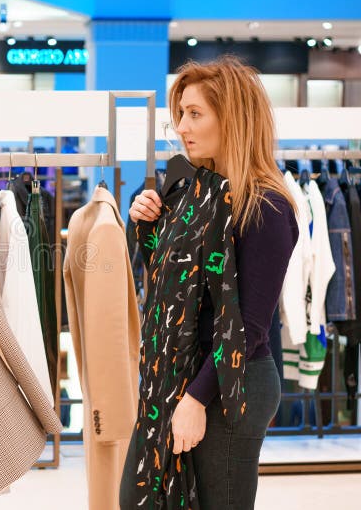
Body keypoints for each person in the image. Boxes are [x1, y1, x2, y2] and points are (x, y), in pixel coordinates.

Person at [124, 57, 299, 509]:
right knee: (137, 498)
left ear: (234, 119)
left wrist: (197, 399)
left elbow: (251, 324)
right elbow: (169, 285)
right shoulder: (194, 193)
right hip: (178, 378)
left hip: (228, 387)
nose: (182, 126)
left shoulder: (266, 207)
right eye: (180, 113)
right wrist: (147, 225)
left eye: (195, 113)